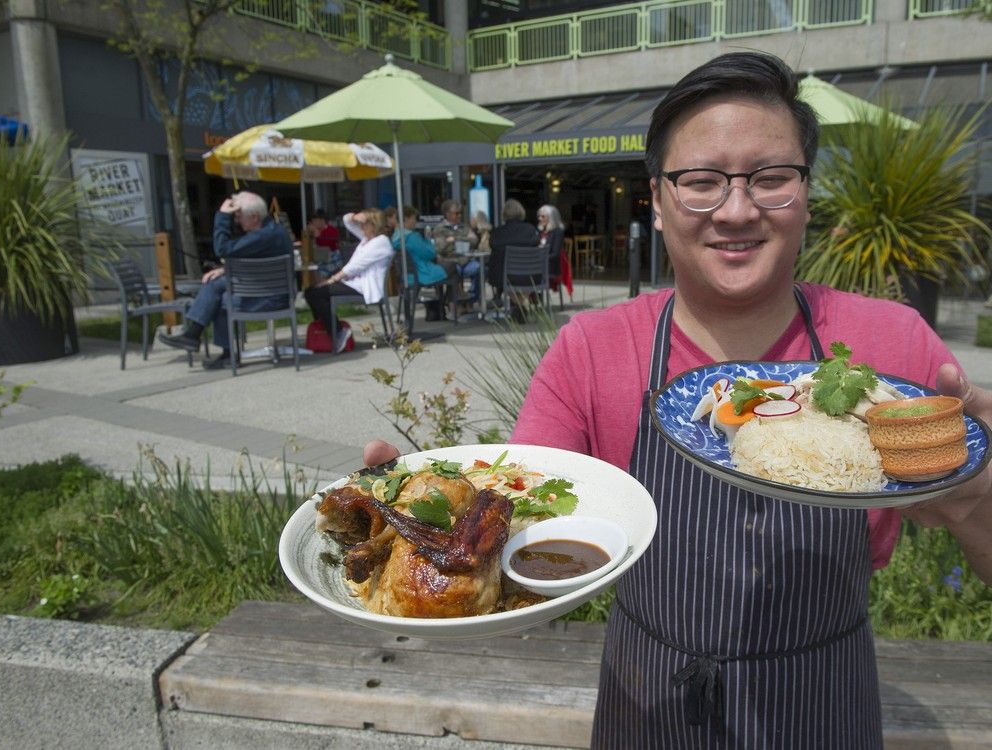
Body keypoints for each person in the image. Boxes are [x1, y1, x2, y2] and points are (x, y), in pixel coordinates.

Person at [362, 52, 992, 747]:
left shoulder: (888, 346)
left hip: (824, 704)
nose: (737, 209)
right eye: (701, 183)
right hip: (645, 700)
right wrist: (427, 523)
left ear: (807, 194)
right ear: (657, 202)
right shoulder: (593, 350)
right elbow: (522, 518)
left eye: (771, 178)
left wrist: (979, 501)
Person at [158, 191, 291, 370]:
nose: (236, 221)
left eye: (238, 216)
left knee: (215, 290)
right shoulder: (273, 232)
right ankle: (210, 345)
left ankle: (195, 336)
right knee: (221, 297)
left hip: (269, 299)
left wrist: (222, 217)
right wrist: (225, 270)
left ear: (254, 217)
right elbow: (256, 263)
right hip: (273, 293)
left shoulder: (261, 236)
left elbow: (222, 248)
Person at [303, 208, 393, 353]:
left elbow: (356, 266)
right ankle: (329, 330)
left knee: (317, 293)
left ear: (374, 224)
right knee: (310, 291)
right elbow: (347, 221)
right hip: (354, 283)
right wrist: (356, 217)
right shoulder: (367, 239)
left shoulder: (381, 242)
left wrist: (332, 279)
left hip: (364, 287)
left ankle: (337, 332)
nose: (361, 227)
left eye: (365, 224)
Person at [392, 205, 457, 321]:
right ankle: (451, 307)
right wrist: (427, 240)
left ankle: (442, 306)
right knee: (453, 267)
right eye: (414, 218)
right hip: (421, 273)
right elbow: (430, 253)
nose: (415, 221)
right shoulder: (412, 237)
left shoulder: (395, 237)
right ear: (406, 219)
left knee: (446, 268)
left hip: (406, 276)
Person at [431, 198, 480, 311]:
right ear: (447, 214)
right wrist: (464, 239)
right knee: (454, 270)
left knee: (479, 268)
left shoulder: (463, 226)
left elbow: (475, 240)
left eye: (460, 213)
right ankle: (457, 303)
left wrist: (454, 239)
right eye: (456, 213)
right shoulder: (439, 229)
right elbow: (441, 247)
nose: (459, 216)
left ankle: (471, 299)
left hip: (465, 261)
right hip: (450, 263)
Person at [488, 197, 539, 303]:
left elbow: (492, 248)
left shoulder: (498, 232)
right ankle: (520, 305)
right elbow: (537, 245)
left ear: (504, 214)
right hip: (530, 276)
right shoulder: (530, 230)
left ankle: (518, 306)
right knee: (521, 279)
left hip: (503, 278)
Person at [536, 204, 572, 300]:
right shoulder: (540, 232)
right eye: (539, 216)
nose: (540, 218)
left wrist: (539, 259)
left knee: (531, 275)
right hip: (539, 265)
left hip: (551, 267)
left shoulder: (558, 232)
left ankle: (534, 297)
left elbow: (555, 254)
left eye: (543, 216)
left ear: (551, 217)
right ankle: (532, 297)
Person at [306, 208, 342, 276]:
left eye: (314, 221)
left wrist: (317, 235)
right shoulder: (312, 232)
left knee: (317, 272)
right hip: (319, 259)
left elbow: (325, 248)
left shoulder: (332, 230)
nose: (313, 223)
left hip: (331, 259)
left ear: (322, 220)